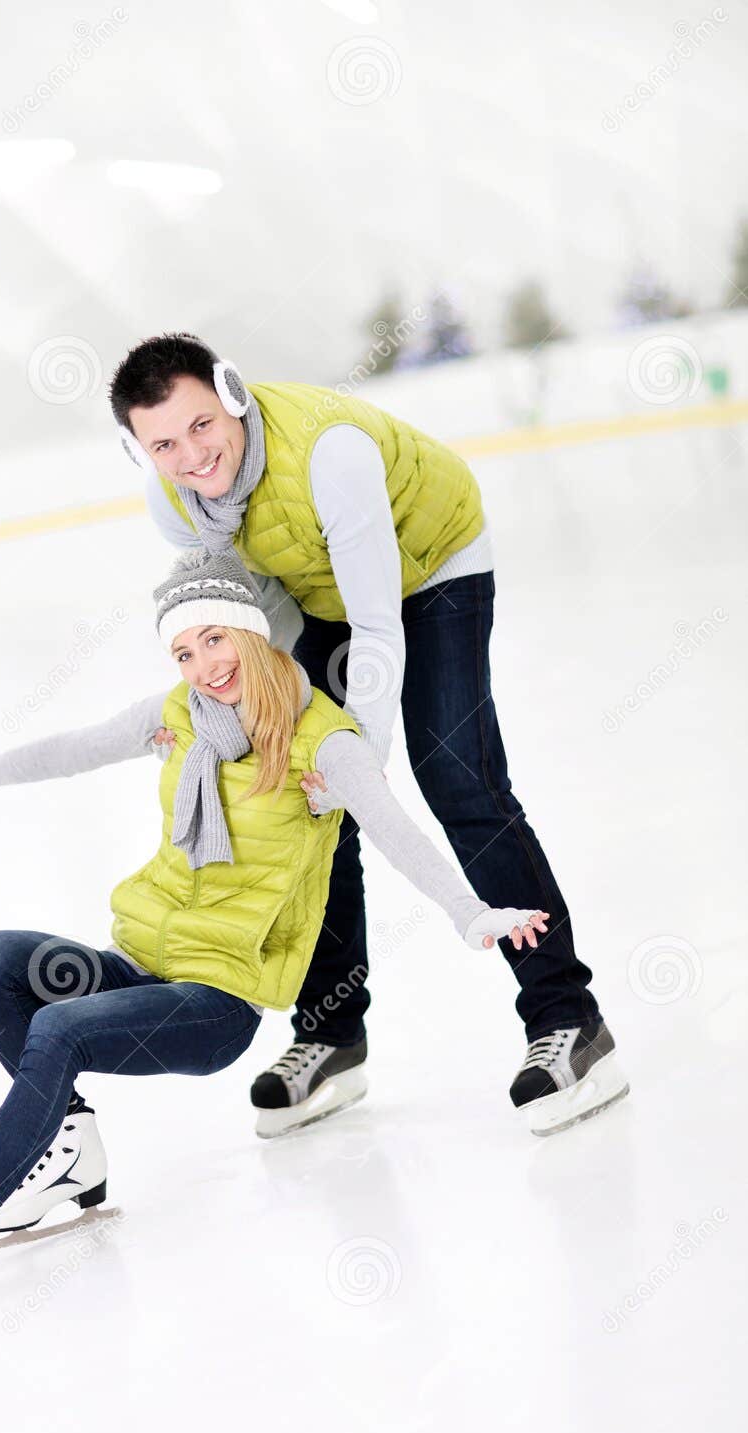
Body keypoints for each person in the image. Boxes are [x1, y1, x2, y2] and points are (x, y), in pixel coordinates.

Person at [0, 551, 547, 1339]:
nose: (202, 666)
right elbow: (69, 748)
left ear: (254, 636)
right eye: (183, 651)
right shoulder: (181, 716)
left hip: (216, 1002)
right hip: (141, 962)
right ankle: (68, 1153)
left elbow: (396, 830)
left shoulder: (324, 744)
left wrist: (471, 915)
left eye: (214, 640)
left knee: (56, 1030)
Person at [108, 333, 628, 1136]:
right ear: (137, 448)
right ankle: (329, 1036)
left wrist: (361, 759)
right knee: (296, 790)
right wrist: (260, 725)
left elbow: (378, 625)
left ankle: (568, 1022)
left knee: (458, 776)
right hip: (312, 593)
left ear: (230, 393)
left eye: (202, 424)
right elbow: (246, 617)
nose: (191, 453)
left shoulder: (329, 454)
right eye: (164, 443)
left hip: (431, 566)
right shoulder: (169, 498)